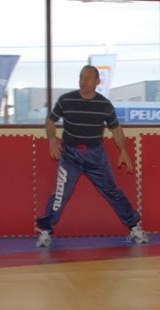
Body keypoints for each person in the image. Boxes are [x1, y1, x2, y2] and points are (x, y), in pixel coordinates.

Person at [35, 65, 149, 247]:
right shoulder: (66, 100)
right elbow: (50, 120)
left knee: (112, 190)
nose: (83, 81)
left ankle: (135, 227)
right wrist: (52, 140)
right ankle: (46, 231)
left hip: (96, 155)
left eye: (88, 78)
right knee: (60, 194)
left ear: (97, 82)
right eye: (81, 77)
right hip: (70, 154)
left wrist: (124, 151)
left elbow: (116, 129)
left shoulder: (104, 105)